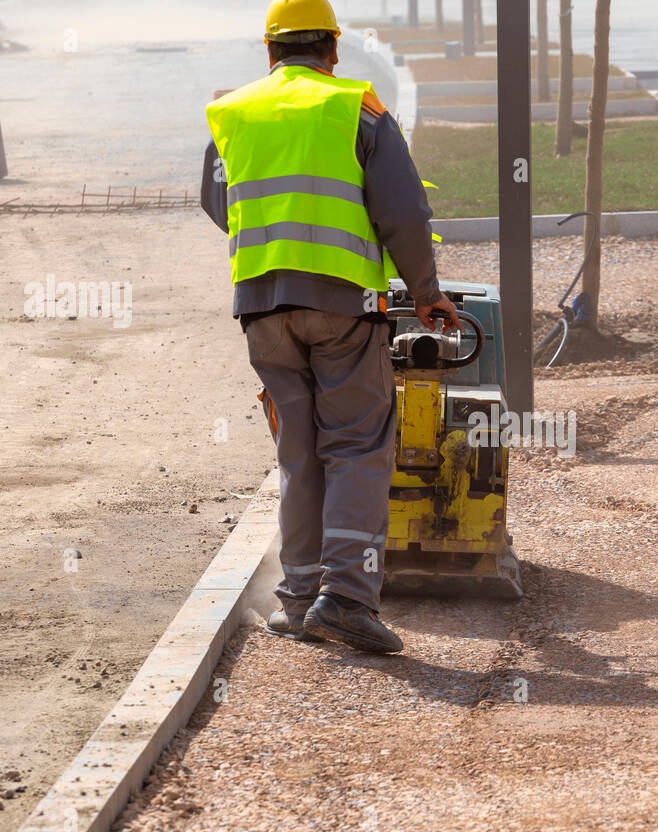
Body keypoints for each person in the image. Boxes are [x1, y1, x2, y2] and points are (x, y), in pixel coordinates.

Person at [201, 0, 459, 655]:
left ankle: (297, 600)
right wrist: (425, 292)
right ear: (334, 49)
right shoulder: (357, 108)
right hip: (345, 308)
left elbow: (219, 202)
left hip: (262, 307)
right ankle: (344, 597)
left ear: (269, 52)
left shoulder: (232, 112)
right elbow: (404, 211)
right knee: (356, 446)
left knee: (299, 452)